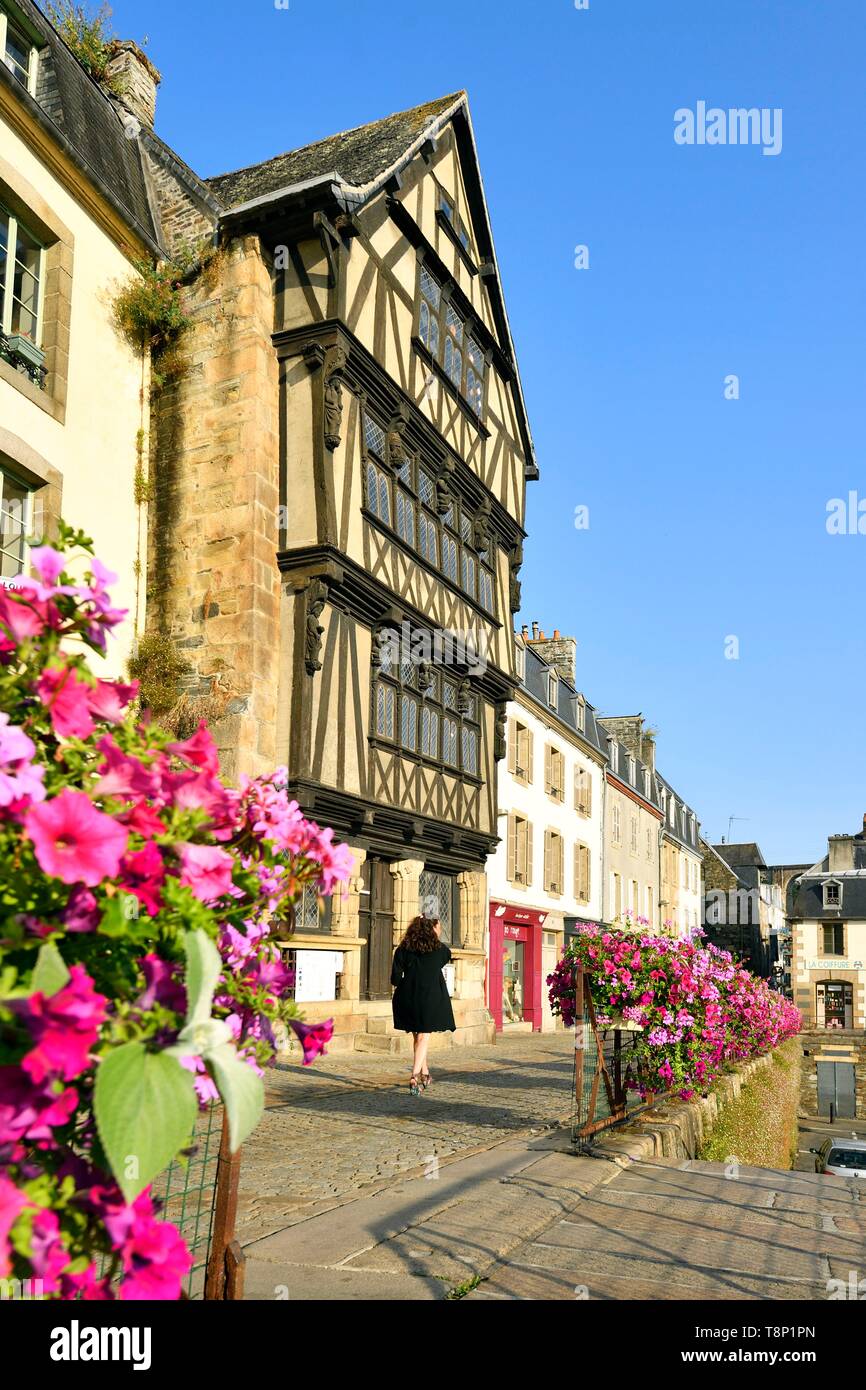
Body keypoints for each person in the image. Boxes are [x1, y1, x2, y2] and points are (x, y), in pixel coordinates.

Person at [390, 914, 455, 1095]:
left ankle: (425, 1072)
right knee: (423, 1037)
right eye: (438, 927)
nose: (440, 929)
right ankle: (414, 1075)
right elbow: (445, 954)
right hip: (429, 998)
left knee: (418, 1037)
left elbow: (395, 979)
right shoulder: (440, 950)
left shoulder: (403, 949)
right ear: (433, 929)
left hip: (407, 998)